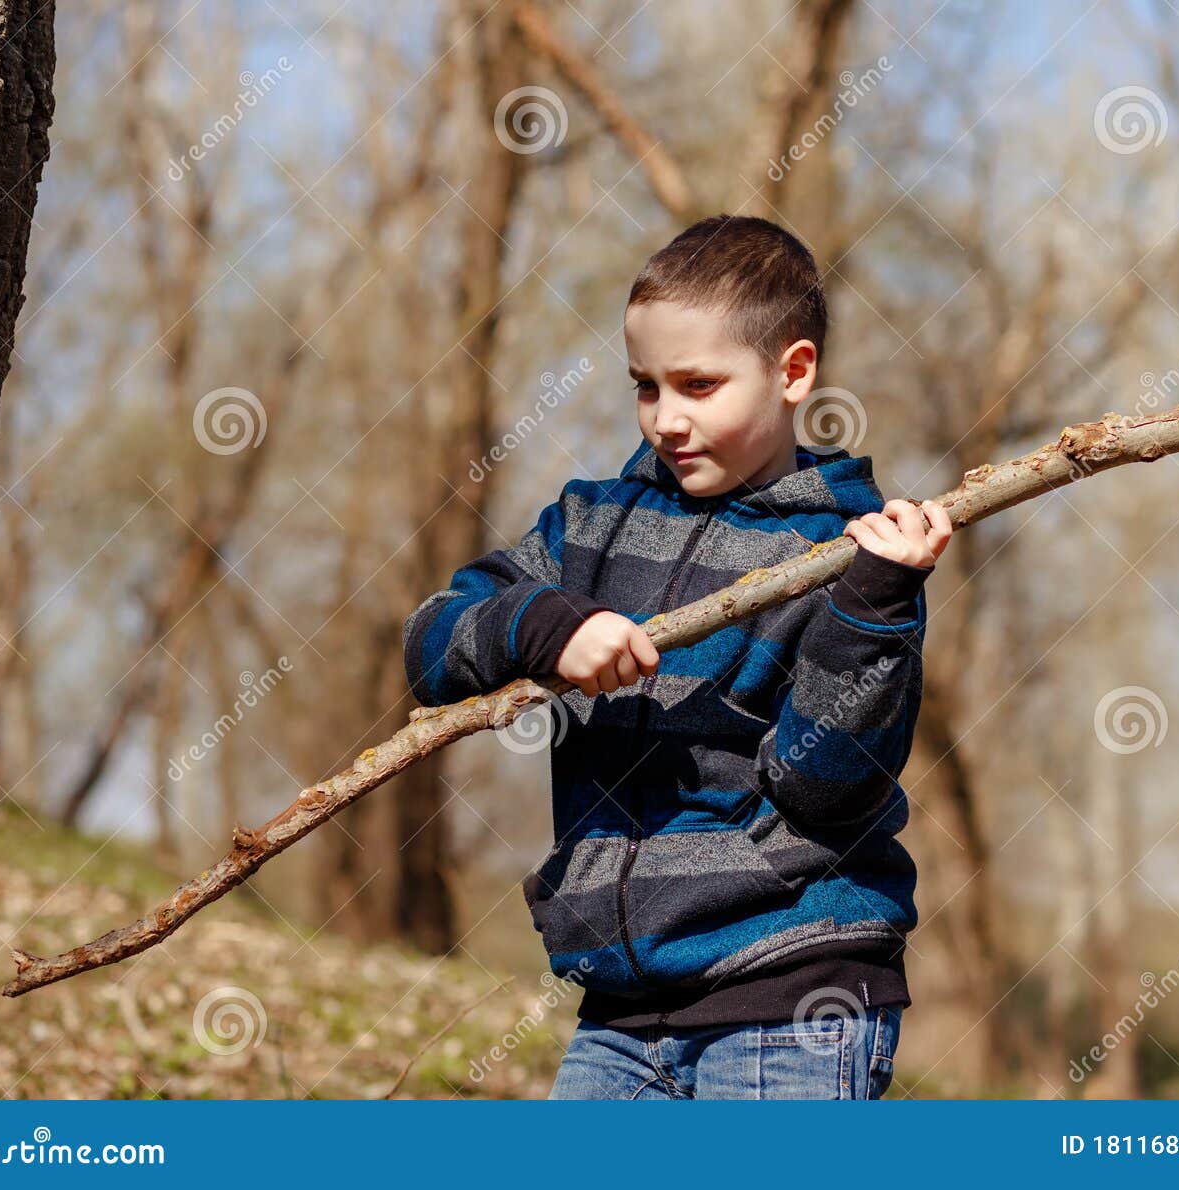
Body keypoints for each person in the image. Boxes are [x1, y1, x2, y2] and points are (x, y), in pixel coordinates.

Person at [403, 214, 953, 1099]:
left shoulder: (851, 556)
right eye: (646, 387)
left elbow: (829, 785)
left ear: (794, 372)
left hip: (790, 996)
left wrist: (873, 608)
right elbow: (432, 639)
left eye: (699, 385)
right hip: (619, 1011)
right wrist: (547, 627)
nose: (667, 419)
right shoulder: (587, 528)